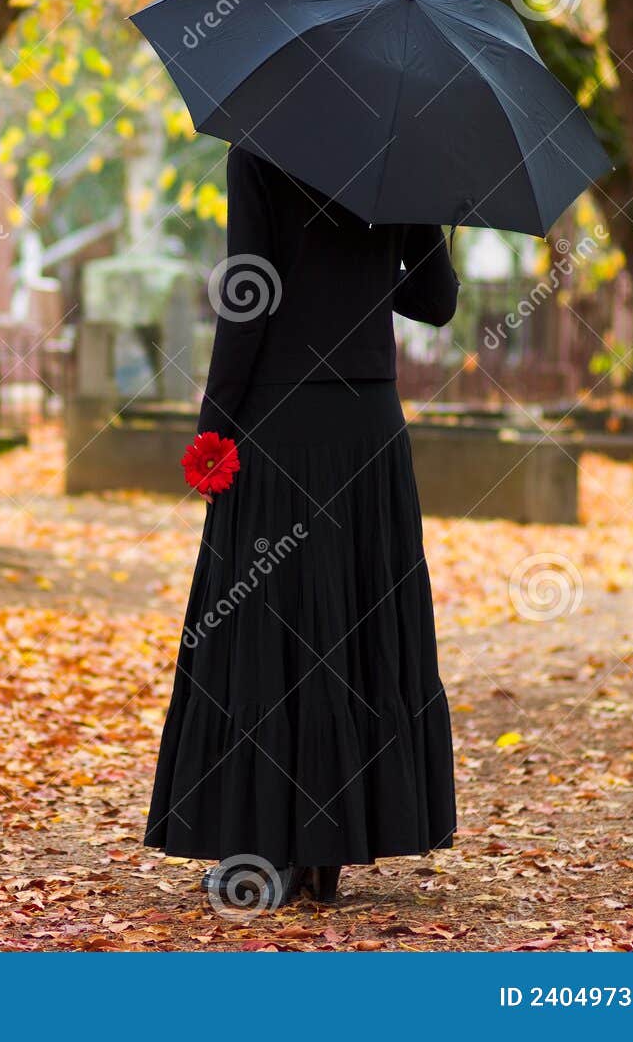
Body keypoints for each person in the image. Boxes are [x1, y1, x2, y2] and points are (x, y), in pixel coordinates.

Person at [144, 144, 460, 909]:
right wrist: (420, 210)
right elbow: (435, 300)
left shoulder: (259, 145)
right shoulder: (394, 146)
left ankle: (271, 846)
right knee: (354, 628)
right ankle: (327, 855)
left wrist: (214, 426)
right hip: (367, 425)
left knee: (268, 629)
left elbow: (247, 303)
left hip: (281, 421)